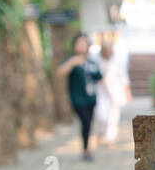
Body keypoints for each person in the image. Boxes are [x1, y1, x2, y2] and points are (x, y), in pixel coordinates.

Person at [55, 32, 104, 161]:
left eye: (84, 43)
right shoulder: (71, 60)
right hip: (77, 98)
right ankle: (86, 150)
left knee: (88, 123)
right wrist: (72, 63)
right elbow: (60, 72)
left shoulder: (91, 62)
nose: (82, 45)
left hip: (91, 98)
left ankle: (86, 149)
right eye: (79, 43)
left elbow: (99, 77)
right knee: (85, 121)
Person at [94, 39, 130, 147]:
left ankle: (111, 138)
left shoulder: (117, 61)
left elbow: (123, 76)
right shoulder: (97, 61)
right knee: (102, 114)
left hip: (115, 91)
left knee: (114, 115)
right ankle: (101, 133)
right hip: (101, 91)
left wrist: (127, 91)